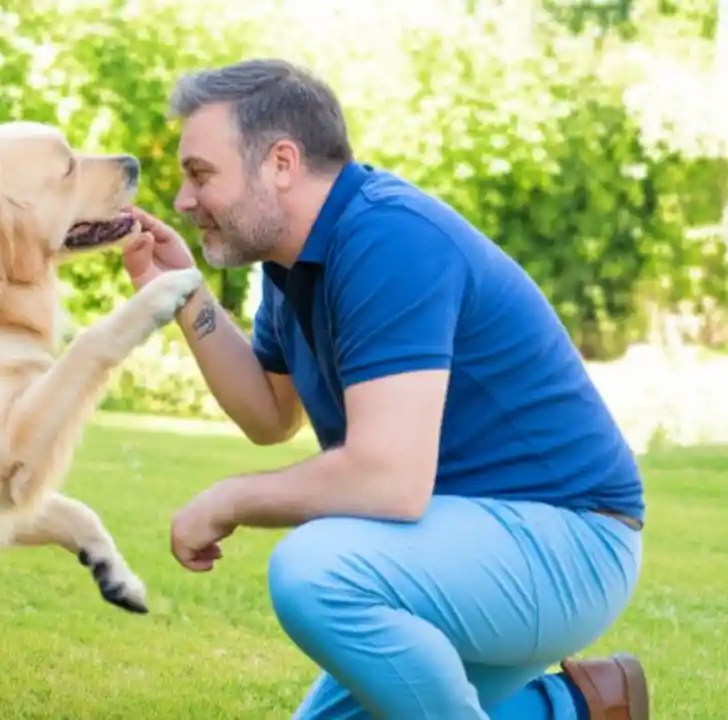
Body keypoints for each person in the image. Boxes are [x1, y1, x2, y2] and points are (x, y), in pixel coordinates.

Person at [121, 58, 649, 719]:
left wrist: (231, 499)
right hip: (458, 545)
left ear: (280, 163)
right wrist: (185, 296)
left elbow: (386, 480)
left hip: (568, 543)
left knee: (314, 571)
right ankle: (577, 707)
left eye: (200, 174)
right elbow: (268, 413)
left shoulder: (386, 237)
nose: (183, 200)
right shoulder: (291, 267)